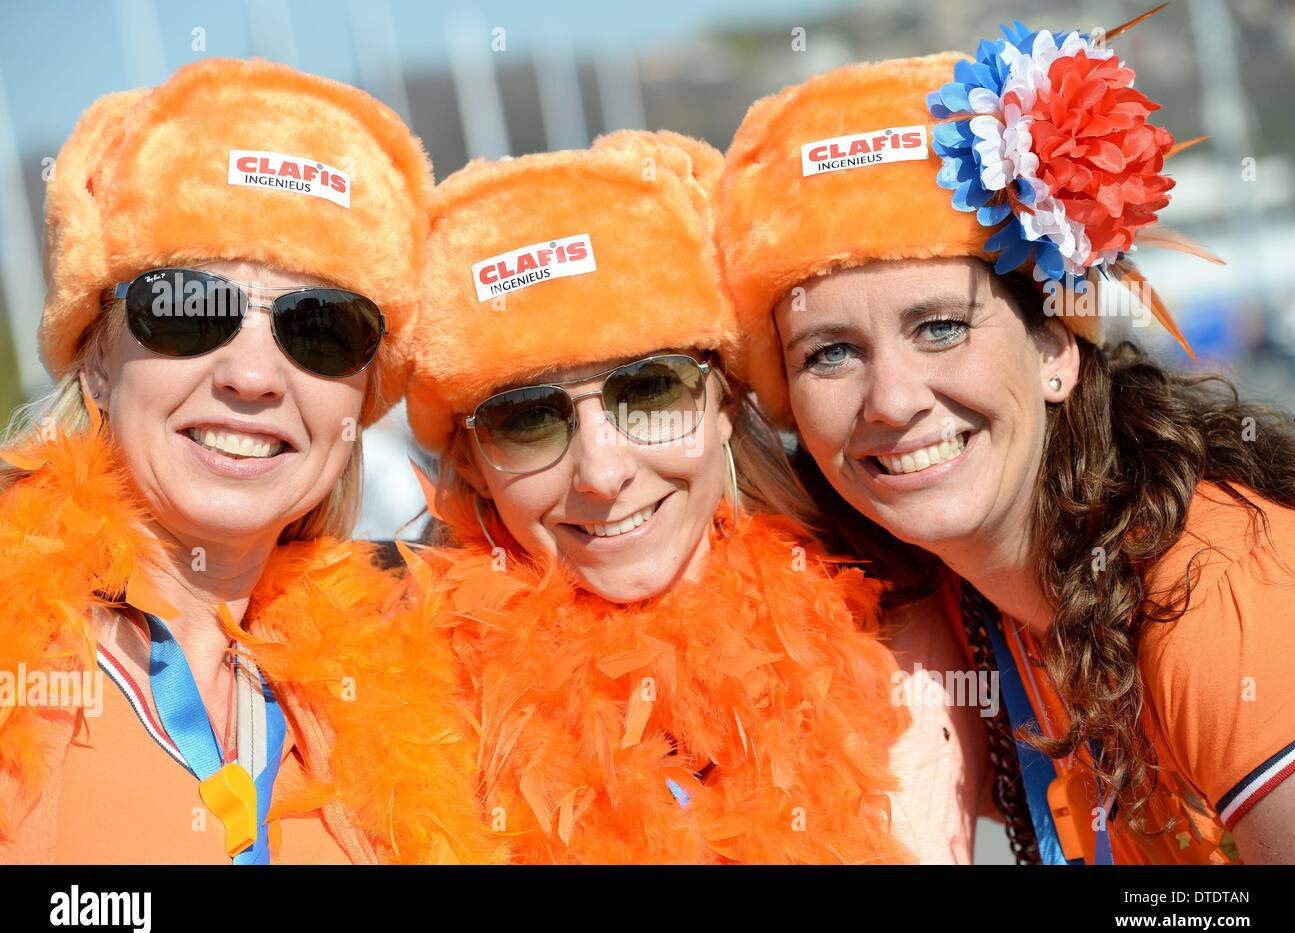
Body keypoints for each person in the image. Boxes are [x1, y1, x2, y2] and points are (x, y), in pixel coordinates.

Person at [717, 12, 1295, 863]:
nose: (892, 401)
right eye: (830, 352)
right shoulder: (958, 605)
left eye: (941, 327)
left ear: (1056, 349)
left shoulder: (1215, 581)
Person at [0, 58, 490, 864]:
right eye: (189, 308)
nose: (253, 376)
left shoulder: (423, 699)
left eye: (320, 328)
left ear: (362, 396)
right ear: (96, 360)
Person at [392, 130, 916, 863]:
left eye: (649, 390)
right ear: (472, 463)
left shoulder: (907, 635)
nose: (602, 474)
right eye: (528, 419)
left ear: (724, 399)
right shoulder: (409, 724)